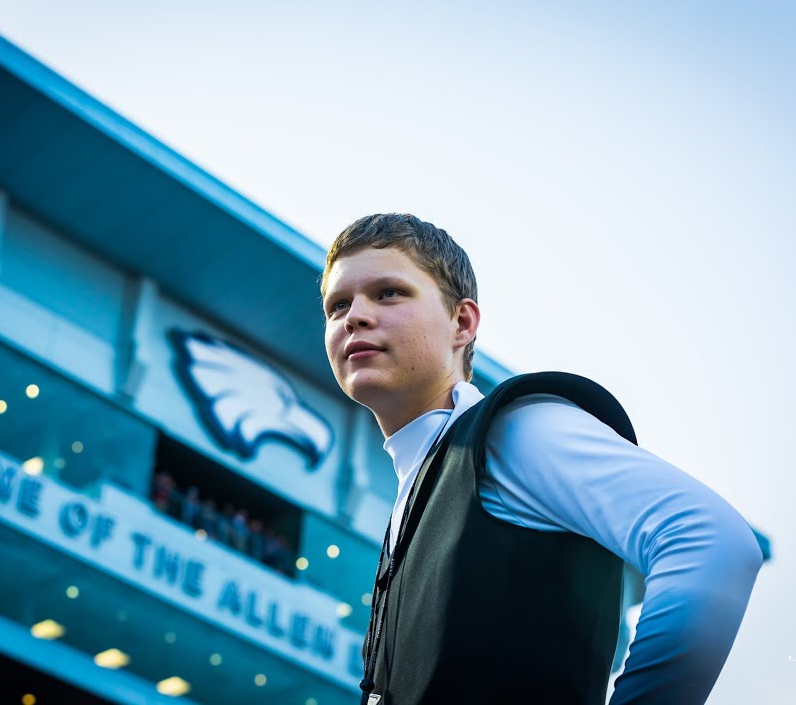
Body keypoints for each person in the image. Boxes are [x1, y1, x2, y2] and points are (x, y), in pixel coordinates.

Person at [319, 213, 763, 705]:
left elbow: (711, 540)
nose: (354, 316)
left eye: (388, 293)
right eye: (338, 305)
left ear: (461, 322)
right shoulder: (421, 486)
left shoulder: (512, 433)